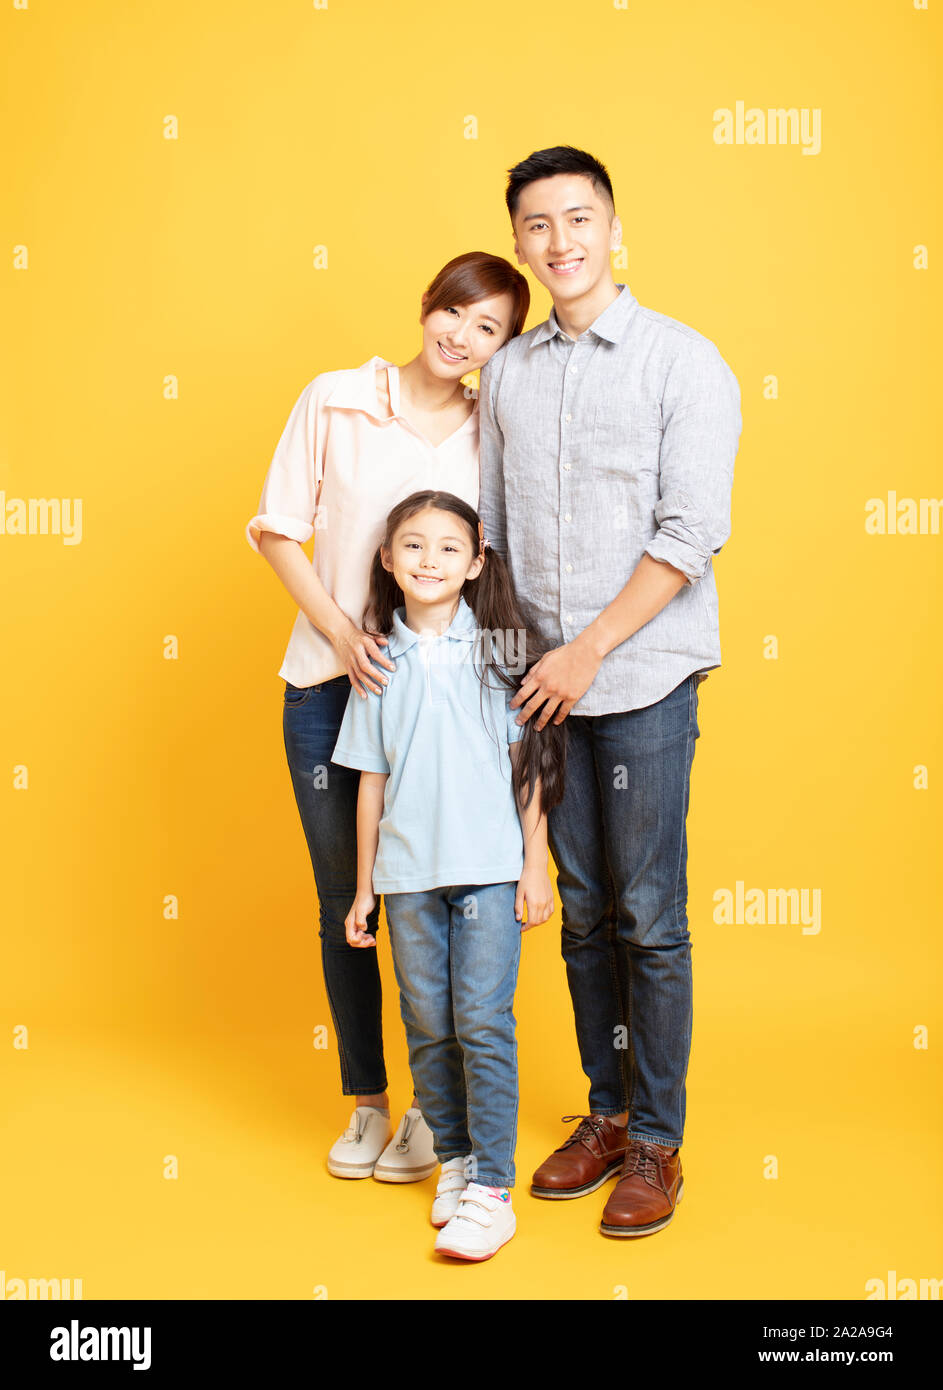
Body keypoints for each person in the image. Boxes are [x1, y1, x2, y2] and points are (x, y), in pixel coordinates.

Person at [477, 145, 742, 1237]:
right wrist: (512, 670)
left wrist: (585, 651)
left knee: (647, 914)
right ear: (522, 240)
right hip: (539, 686)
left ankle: (656, 1143)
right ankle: (604, 1111)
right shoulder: (507, 373)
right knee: (579, 915)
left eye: (577, 218)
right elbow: (489, 533)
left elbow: (691, 535)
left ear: (613, 224)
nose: (560, 242)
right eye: (536, 225)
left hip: (638, 676)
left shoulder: (685, 363)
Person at [246, 253, 529, 1185]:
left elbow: (498, 559)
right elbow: (278, 527)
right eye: (454, 311)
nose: (461, 335)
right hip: (332, 681)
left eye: (487, 327)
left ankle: (433, 1120)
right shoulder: (335, 398)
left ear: (501, 346)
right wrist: (340, 630)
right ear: (427, 307)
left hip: (445, 690)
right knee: (352, 900)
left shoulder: (496, 429)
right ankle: (368, 1103)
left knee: (434, 891)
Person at [332, 490, 567, 1261]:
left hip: (491, 871)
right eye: (411, 545)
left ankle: (492, 1190)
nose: (428, 560)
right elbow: (369, 779)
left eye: (446, 548)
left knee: (481, 1022)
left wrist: (535, 866)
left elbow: (525, 762)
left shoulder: (497, 651)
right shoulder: (377, 660)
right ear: (386, 559)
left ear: (474, 565)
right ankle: (457, 1157)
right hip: (405, 878)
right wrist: (365, 887)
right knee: (427, 1024)